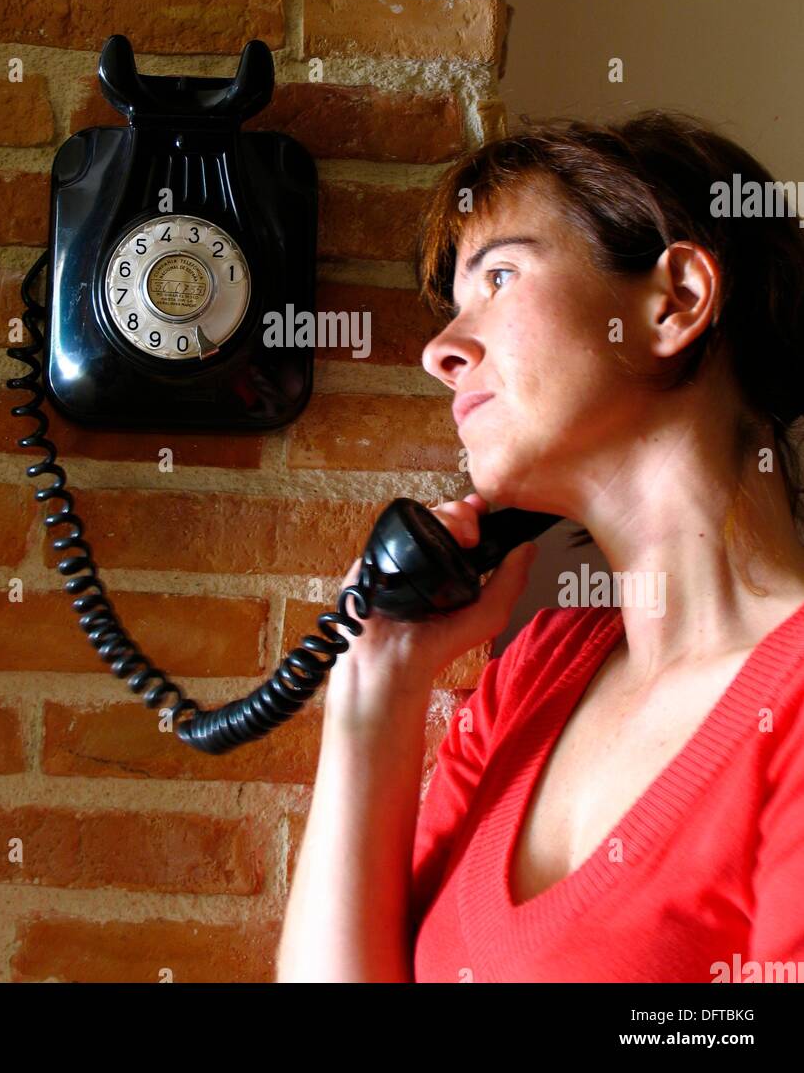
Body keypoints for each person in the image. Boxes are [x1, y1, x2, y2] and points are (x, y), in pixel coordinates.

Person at [276, 110, 804, 983]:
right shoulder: (535, 672)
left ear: (674, 301)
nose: (441, 352)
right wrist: (376, 685)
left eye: (501, 276)